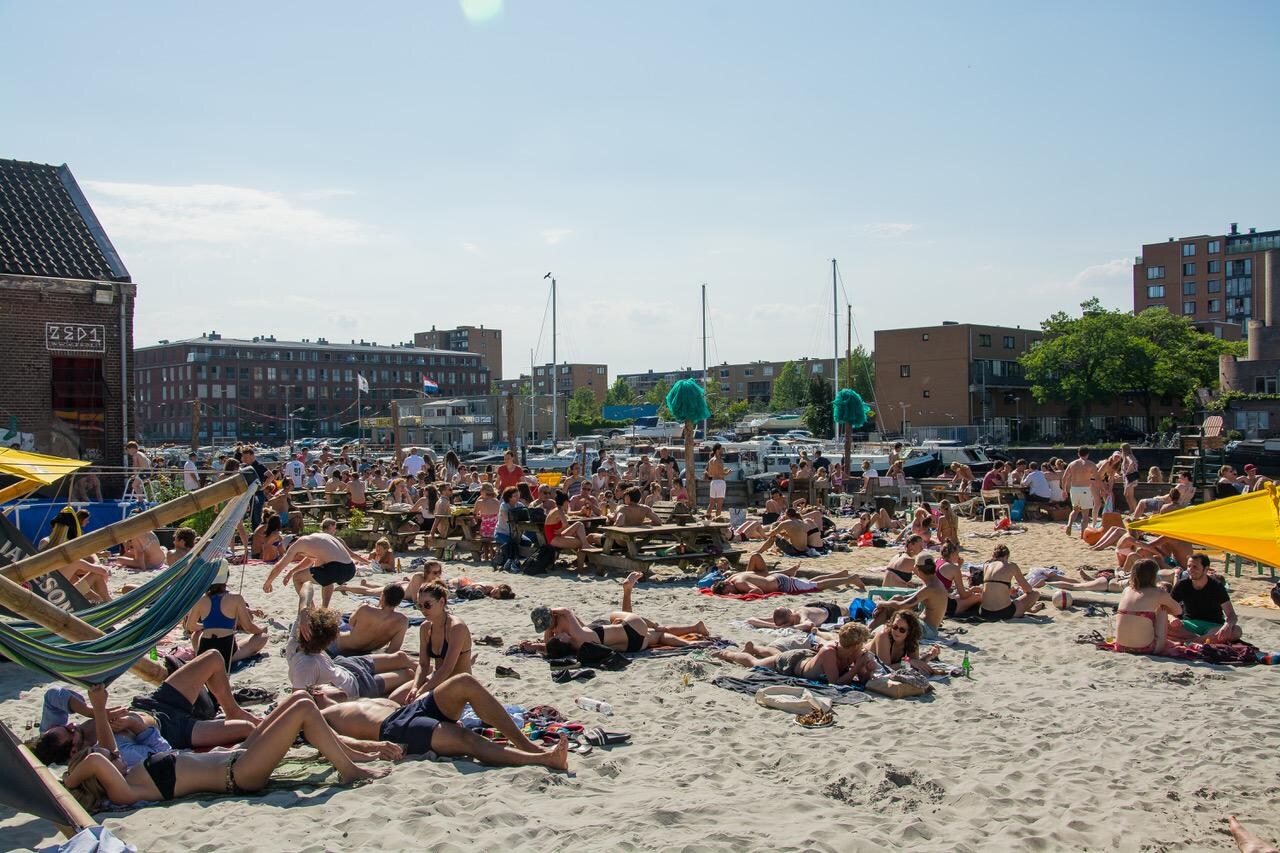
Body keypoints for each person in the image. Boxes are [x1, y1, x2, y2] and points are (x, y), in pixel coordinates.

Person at [60, 684, 391, 811]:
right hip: (239, 774)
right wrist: (70, 777)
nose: (113, 752)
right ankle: (349, 770)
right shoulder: (124, 791)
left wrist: (98, 706)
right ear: (98, 777)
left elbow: (104, 754)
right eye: (109, 757)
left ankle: (349, 755)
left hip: (237, 756)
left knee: (300, 697)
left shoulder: (128, 775)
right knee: (304, 709)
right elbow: (95, 763)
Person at [35, 650, 260, 766]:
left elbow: (53, 695)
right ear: (73, 751)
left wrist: (90, 711)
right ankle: (233, 718)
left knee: (212, 658)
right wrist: (127, 723)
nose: (72, 725)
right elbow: (155, 753)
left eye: (67, 725)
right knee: (246, 728)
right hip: (175, 731)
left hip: (155, 703)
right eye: (70, 731)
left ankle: (231, 709)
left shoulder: (53, 734)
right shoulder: (100, 753)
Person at [323, 673, 568, 770]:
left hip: (409, 710)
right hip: (395, 729)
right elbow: (329, 739)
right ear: (316, 693)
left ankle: (525, 744)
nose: (332, 685)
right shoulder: (321, 713)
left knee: (464, 681)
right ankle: (543, 759)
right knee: (466, 740)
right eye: (325, 686)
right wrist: (373, 747)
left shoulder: (355, 701)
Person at [529, 572, 709, 655]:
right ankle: (628, 591)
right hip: (633, 627)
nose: (557, 634)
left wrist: (537, 645)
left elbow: (548, 645)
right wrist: (552, 611)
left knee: (659, 635)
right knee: (615, 616)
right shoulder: (575, 632)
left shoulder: (572, 644)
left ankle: (693, 634)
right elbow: (567, 611)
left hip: (634, 646)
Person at [287, 599, 415, 702]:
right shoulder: (306, 666)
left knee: (400, 657)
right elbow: (299, 702)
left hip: (344, 664)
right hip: (359, 685)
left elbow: (307, 586)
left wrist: (303, 612)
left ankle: (425, 669)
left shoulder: (296, 639)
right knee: (407, 674)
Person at [715, 622, 876, 685]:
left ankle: (755, 648)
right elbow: (835, 682)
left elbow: (863, 680)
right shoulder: (830, 651)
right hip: (793, 662)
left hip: (804, 658)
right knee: (755, 664)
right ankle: (726, 654)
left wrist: (867, 671)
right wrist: (857, 667)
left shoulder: (856, 653)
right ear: (856, 644)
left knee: (774, 655)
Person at [390, 581, 473, 703]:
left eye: (427, 605)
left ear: (441, 602)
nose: (423, 610)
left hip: (457, 682)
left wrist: (421, 691)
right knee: (394, 698)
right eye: (420, 606)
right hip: (436, 678)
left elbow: (447, 668)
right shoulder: (425, 627)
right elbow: (423, 664)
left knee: (419, 701)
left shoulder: (456, 627)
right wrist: (415, 687)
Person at [183, 563, 269, 671]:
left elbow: (190, 626)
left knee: (196, 634)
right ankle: (226, 659)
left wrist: (208, 626)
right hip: (226, 648)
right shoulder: (236, 598)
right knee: (263, 637)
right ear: (226, 578)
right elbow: (248, 627)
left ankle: (201, 657)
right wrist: (260, 630)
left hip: (205, 648)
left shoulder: (200, 600)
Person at [263, 530, 370, 608]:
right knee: (323, 573)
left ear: (291, 544)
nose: (295, 555)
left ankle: (311, 609)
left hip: (336, 568)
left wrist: (268, 582)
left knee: (297, 578)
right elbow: (309, 560)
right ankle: (324, 609)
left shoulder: (298, 544)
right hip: (350, 569)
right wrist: (291, 571)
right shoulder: (316, 539)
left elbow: (279, 566)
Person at [1113, 558, 1183, 654]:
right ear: (1154, 575)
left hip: (1121, 646)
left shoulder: (1126, 590)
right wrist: (1164, 604)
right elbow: (1178, 611)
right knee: (1162, 608)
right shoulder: (1159, 593)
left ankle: (1166, 642)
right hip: (1147, 648)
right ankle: (1164, 643)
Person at [1169, 553, 1242, 643]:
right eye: (1188, 566)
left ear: (1206, 569)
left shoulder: (1216, 586)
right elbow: (1167, 608)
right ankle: (1201, 640)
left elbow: (1231, 614)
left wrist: (1228, 625)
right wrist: (1172, 618)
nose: (1190, 570)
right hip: (1189, 624)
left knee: (1236, 631)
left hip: (1213, 626)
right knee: (1161, 623)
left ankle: (1190, 641)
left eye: (1195, 567)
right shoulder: (1182, 584)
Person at [711, 554, 864, 595]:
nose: (729, 593)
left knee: (816, 587)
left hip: (781, 583)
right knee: (808, 583)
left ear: (726, 586)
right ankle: (840, 574)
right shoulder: (733, 577)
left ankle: (850, 578)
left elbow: (757, 591)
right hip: (776, 579)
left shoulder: (738, 583)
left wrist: (740, 594)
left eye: (727, 592)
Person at [869, 553, 949, 630]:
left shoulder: (930, 587)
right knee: (897, 598)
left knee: (894, 608)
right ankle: (871, 628)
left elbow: (901, 605)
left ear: (917, 569)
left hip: (928, 630)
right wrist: (886, 604)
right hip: (925, 625)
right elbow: (906, 598)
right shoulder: (934, 582)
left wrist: (881, 603)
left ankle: (870, 629)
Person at [332, 583, 410, 656]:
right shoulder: (403, 621)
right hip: (364, 653)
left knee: (335, 620)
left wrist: (362, 607)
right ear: (399, 602)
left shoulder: (365, 609)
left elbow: (351, 623)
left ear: (383, 596)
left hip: (339, 646)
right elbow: (393, 650)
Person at [977, 544, 1039, 620]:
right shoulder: (1012, 566)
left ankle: (1029, 610)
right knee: (1035, 594)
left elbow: (994, 587)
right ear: (1006, 556)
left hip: (984, 612)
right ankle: (1030, 609)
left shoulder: (986, 565)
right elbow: (1028, 589)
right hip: (1004, 612)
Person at [868, 610, 939, 675]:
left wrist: (929, 656)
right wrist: (909, 662)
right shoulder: (883, 636)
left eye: (902, 630)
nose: (897, 631)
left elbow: (915, 663)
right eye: (895, 627)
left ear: (910, 631)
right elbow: (885, 668)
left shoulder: (912, 639)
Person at [544, 490, 600, 569]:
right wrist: (560, 530)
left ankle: (585, 546)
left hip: (555, 536)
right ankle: (580, 567)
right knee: (581, 542)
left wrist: (560, 530)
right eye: (568, 502)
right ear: (565, 502)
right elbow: (566, 524)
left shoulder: (556, 509)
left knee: (579, 524)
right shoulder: (559, 511)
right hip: (553, 539)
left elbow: (564, 523)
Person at [935, 540, 983, 617]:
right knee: (978, 596)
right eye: (957, 554)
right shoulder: (954, 568)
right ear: (953, 554)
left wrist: (959, 565)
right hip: (946, 607)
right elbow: (963, 595)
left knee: (958, 596)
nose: (958, 556)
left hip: (934, 601)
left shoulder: (938, 561)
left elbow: (948, 576)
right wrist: (973, 589)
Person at [1061, 446, 1099, 537]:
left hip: (1074, 489)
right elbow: (1097, 478)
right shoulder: (1091, 464)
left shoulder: (1072, 464)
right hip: (1085, 489)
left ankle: (1069, 525)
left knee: (1075, 510)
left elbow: (1064, 478)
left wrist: (1064, 490)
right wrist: (1103, 489)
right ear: (1088, 454)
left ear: (1078, 454)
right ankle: (1082, 534)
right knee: (1085, 514)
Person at [746, 600, 848, 631]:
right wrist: (773, 626)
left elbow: (810, 624)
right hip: (814, 607)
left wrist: (790, 627)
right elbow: (751, 620)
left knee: (847, 610)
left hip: (831, 612)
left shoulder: (800, 614)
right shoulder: (784, 617)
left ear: (791, 616)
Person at [240, 447, 270, 527]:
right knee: (251, 515)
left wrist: (263, 487)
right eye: (244, 457)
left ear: (252, 456)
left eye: (247, 457)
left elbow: (271, 476)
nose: (245, 459)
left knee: (256, 515)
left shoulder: (259, 466)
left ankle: (258, 530)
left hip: (258, 494)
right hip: (248, 494)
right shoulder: (244, 467)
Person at [706, 443, 728, 520]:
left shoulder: (711, 460)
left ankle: (706, 519)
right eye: (721, 449)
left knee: (711, 503)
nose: (722, 450)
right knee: (719, 504)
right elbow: (722, 474)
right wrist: (728, 472)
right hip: (720, 483)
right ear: (718, 450)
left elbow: (709, 474)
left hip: (713, 482)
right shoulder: (720, 460)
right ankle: (717, 520)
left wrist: (720, 472)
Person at [1119, 443, 1140, 513]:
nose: (1120, 451)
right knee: (1126, 494)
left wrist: (1127, 472)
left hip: (1130, 477)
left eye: (1121, 449)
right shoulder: (1128, 456)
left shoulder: (1128, 456)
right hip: (1129, 478)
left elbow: (1132, 463)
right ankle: (1131, 509)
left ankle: (1136, 511)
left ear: (1124, 449)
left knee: (1130, 495)